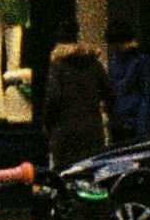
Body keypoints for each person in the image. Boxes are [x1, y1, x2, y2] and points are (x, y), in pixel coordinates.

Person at [38, 41, 114, 170]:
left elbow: (53, 98)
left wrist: (46, 124)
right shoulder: (95, 64)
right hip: (92, 130)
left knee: (65, 174)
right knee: (91, 173)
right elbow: (109, 93)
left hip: (64, 132)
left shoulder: (57, 66)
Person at [105, 25, 150, 141]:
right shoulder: (117, 57)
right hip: (119, 118)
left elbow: (147, 95)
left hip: (132, 119)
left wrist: (143, 129)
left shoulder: (143, 60)